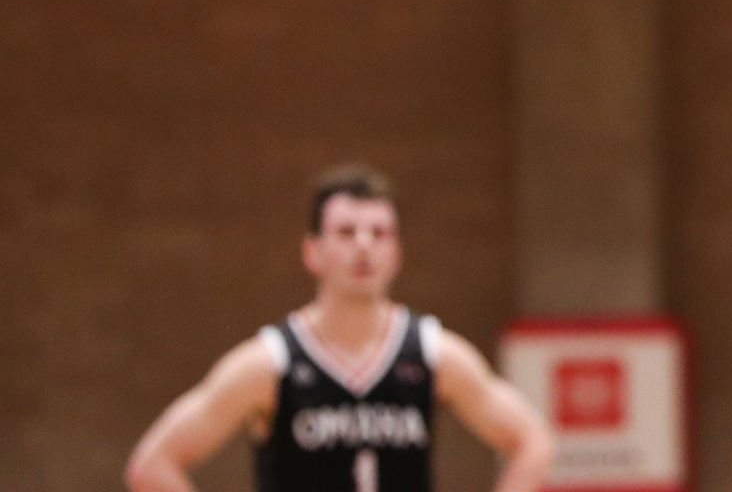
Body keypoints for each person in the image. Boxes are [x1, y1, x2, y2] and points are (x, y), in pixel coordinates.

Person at [125, 165, 553, 492]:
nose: (364, 244)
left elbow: (534, 442)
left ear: (396, 253)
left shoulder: (432, 354)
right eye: (346, 232)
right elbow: (153, 464)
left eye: (379, 233)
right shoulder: (270, 363)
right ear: (313, 252)